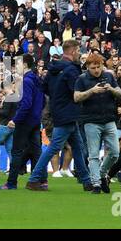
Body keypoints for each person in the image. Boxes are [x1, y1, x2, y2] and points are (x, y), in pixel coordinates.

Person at [27, 39, 92, 191]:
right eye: (78, 51)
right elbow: (75, 92)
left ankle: (86, 180)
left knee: (77, 146)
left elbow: (45, 88)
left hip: (58, 110)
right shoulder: (72, 70)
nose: (79, 54)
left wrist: (57, 98)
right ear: (73, 51)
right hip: (69, 112)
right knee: (55, 147)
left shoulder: (53, 68)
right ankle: (34, 178)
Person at [74, 52, 121, 194]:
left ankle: (102, 174)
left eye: (99, 67)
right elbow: (76, 97)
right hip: (91, 121)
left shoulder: (109, 76)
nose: (96, 70)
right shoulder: (82, 79)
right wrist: (92, 91)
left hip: (109, 119)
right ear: (88, 67)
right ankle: (96, 183)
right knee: (94, 154)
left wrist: (111, 89)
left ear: (102, 65)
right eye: (93, 67)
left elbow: (120, 94)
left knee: (115, 152)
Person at [0, 55, 44, 191]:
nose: (15, 67)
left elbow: (26, 104)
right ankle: (40, 181)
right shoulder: (37, 79)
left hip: (25, 121)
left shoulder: (26, 81)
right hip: (35, 120)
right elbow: (43, 101)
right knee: (36, 151)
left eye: (17, 64)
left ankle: (11, 183)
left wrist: (15, 119)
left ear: (24, 65)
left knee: (17, 151)